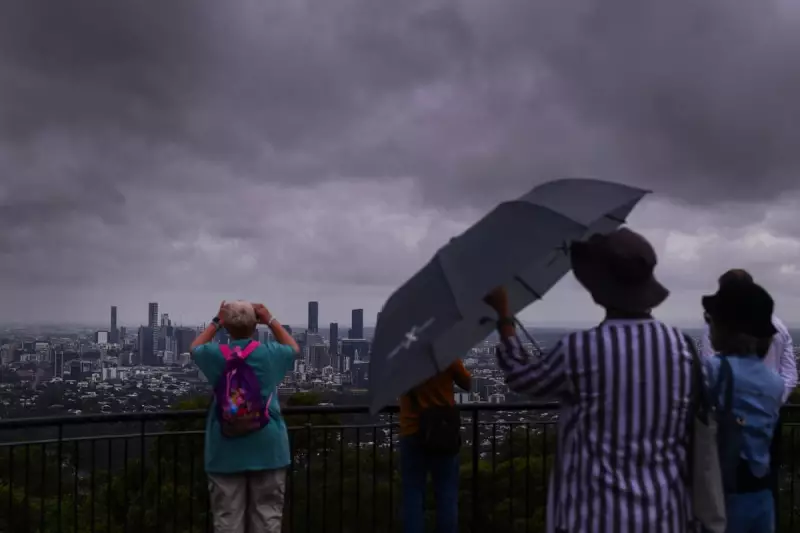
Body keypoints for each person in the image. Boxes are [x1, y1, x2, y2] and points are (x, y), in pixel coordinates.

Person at [485, 228, 696, 533]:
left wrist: (504, 316)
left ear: (599, 290)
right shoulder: (682, 347)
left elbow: (523, 378)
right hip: (665, 514)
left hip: (594, 515)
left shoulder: (581, 349)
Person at [190, 300, 300, 533]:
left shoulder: (215, 355)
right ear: (255, 325)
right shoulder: (270, 354)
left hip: (224, 449)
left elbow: (195, 348)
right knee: (268, 518)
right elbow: (293, 348)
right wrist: (269, 318)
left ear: (227, 327)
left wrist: (217, 320)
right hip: (269, 448)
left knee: (228, 522)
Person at [702, 280, 784, 533]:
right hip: (762, 497)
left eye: (711, 320)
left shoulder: (713, 371)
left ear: (728, 327)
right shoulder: (774, 382)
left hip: (725, 498)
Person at [700, 269, 797, 401]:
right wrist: (773, 402)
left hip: (727, 410)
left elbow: (708, 367)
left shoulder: (717, 324)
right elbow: (790, 374)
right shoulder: (779, 327)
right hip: (770, 413)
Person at [399, 360, 471, 533]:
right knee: (447, 493)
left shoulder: (403, 353)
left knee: (412, 494)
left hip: (411, 430)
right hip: (443, 430)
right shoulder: (444, 351)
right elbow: (467, 383)